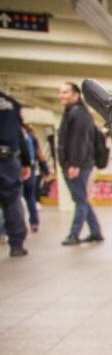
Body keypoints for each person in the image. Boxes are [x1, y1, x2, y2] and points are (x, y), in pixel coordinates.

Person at [57, 82, 104, 246]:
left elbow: (79, 141)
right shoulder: (74, 112)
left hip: (78, 164)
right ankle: (96, 232)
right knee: (81, 198)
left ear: (76, 95)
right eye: (60, 92)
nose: (61, 95)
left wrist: (74, 164)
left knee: (80, 201)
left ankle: (74, 234)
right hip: (77, 163)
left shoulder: (78, 114)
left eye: (65, 92)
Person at [0, 90, 32, 258]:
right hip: (8, 159)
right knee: (12, 202)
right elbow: (19, 133)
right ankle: (16, 244)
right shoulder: (11, 103)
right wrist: (26, 161)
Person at [21, 122, 49, 234]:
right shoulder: (31, 137)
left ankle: (6, 229)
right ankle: (34, 223)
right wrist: (45, 169)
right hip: (30, 170)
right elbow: (39, 154)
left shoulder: (12, 136)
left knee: (10, 200)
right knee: (30, 197)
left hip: (15, 169)